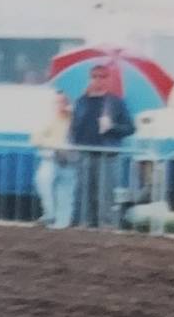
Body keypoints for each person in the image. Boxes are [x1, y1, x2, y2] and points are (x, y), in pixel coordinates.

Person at [69, 63, 134, 228]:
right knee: (83, 192)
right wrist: (72, 144)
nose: (98, 80)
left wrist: (112, 127)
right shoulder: (81, 101)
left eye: (102, 76)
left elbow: (130, 128)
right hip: (84, 152)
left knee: (105, 193)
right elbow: (74, 126)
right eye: (95, 76)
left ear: (108, 79)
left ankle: (106, 225)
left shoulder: (115, 102)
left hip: (107, 154)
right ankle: (84, 223)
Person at [34, 89, 78, 229]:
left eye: (64, 102)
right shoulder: (48, 119)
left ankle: (62, 222)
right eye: (58, 102)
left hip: (69, 160)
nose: (61, 105)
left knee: (65, 191)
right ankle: (50, 214)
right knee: (44, 185)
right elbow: (36, 138)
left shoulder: (74, 120)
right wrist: (55, 145)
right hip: (51, 158)